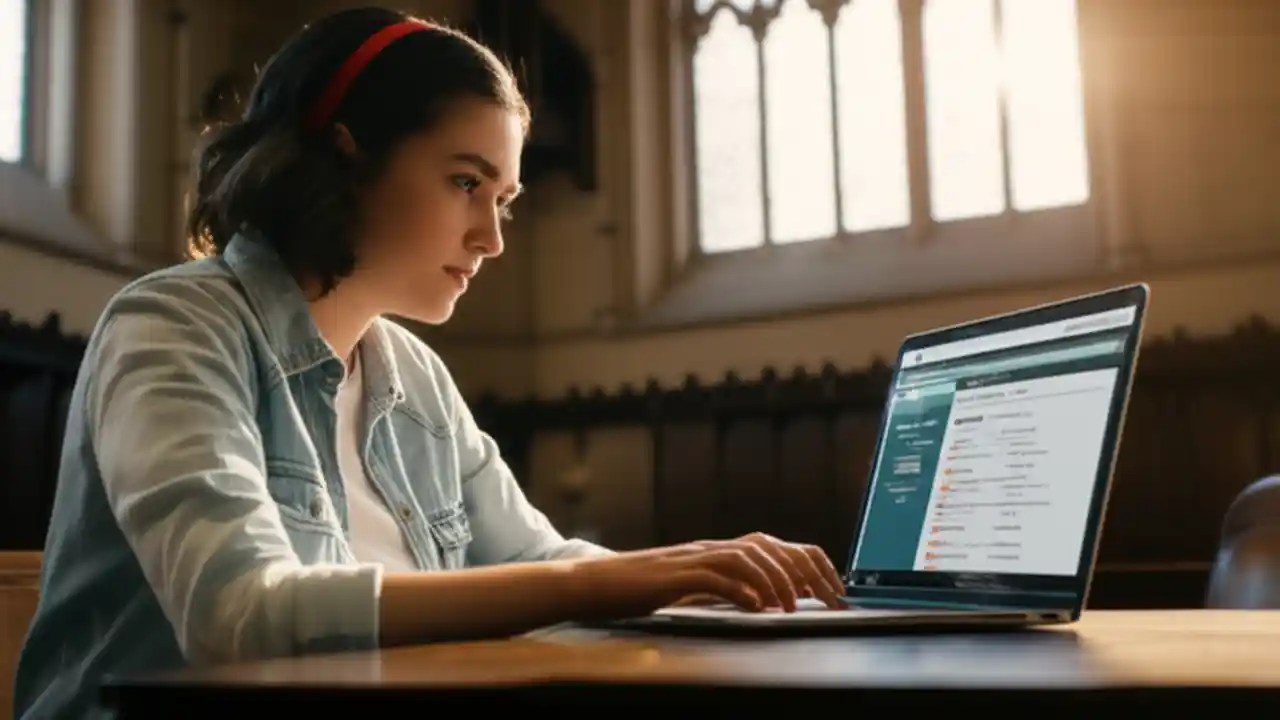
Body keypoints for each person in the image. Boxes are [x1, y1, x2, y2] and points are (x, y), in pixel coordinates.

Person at [12, 7, 846, 718]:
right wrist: (614, 584)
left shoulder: (410, 374)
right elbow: (241, 614)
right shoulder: (172, 326)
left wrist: (700, 582)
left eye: (504, 200)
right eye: (464, 184)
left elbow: (536, 561)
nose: (490, 239)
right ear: (345, 155)